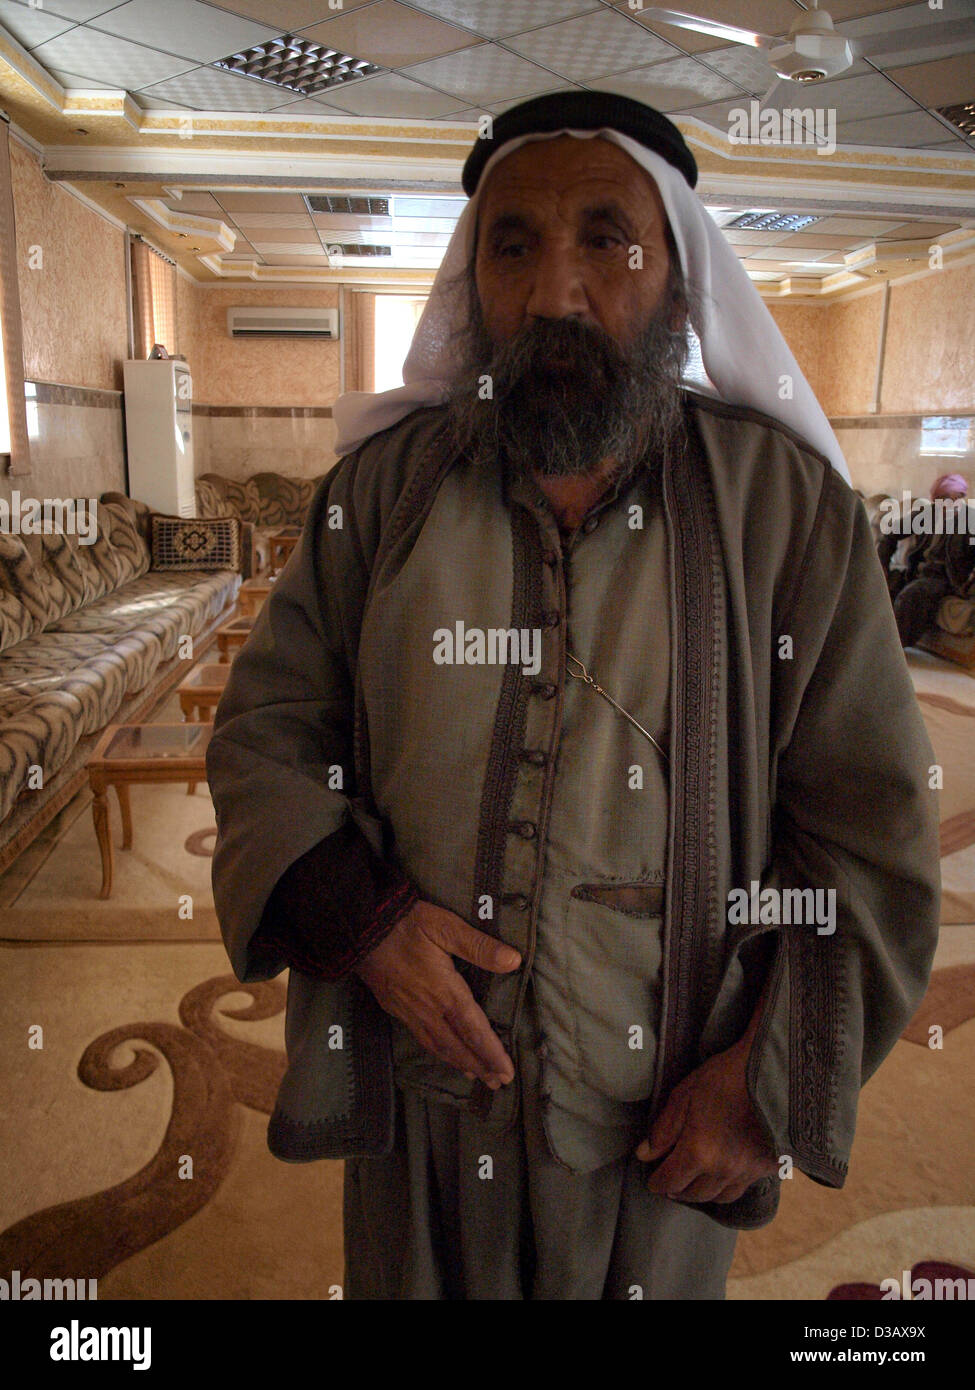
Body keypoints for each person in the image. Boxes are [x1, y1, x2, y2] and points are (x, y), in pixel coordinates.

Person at [207, 91, 941, 1301]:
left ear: (677, 271)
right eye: (515, 243)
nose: (556, 290)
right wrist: (365, 921)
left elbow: (871, 831)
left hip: (665, 1125)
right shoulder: (380, 495)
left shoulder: (787, 513)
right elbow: (268, 732)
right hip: (421, 1106)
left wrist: (765, 1085)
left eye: (607, 237)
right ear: (474, 277)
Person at [892, 473, 973, 647]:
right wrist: (882, 566)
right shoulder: (927, 514)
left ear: (960, 498)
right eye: (938, 499)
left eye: (945, 499)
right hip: (917, 572)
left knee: (912, 594)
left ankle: (892, 649)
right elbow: (891, 533)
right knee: (885, 584)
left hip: (945, 579)